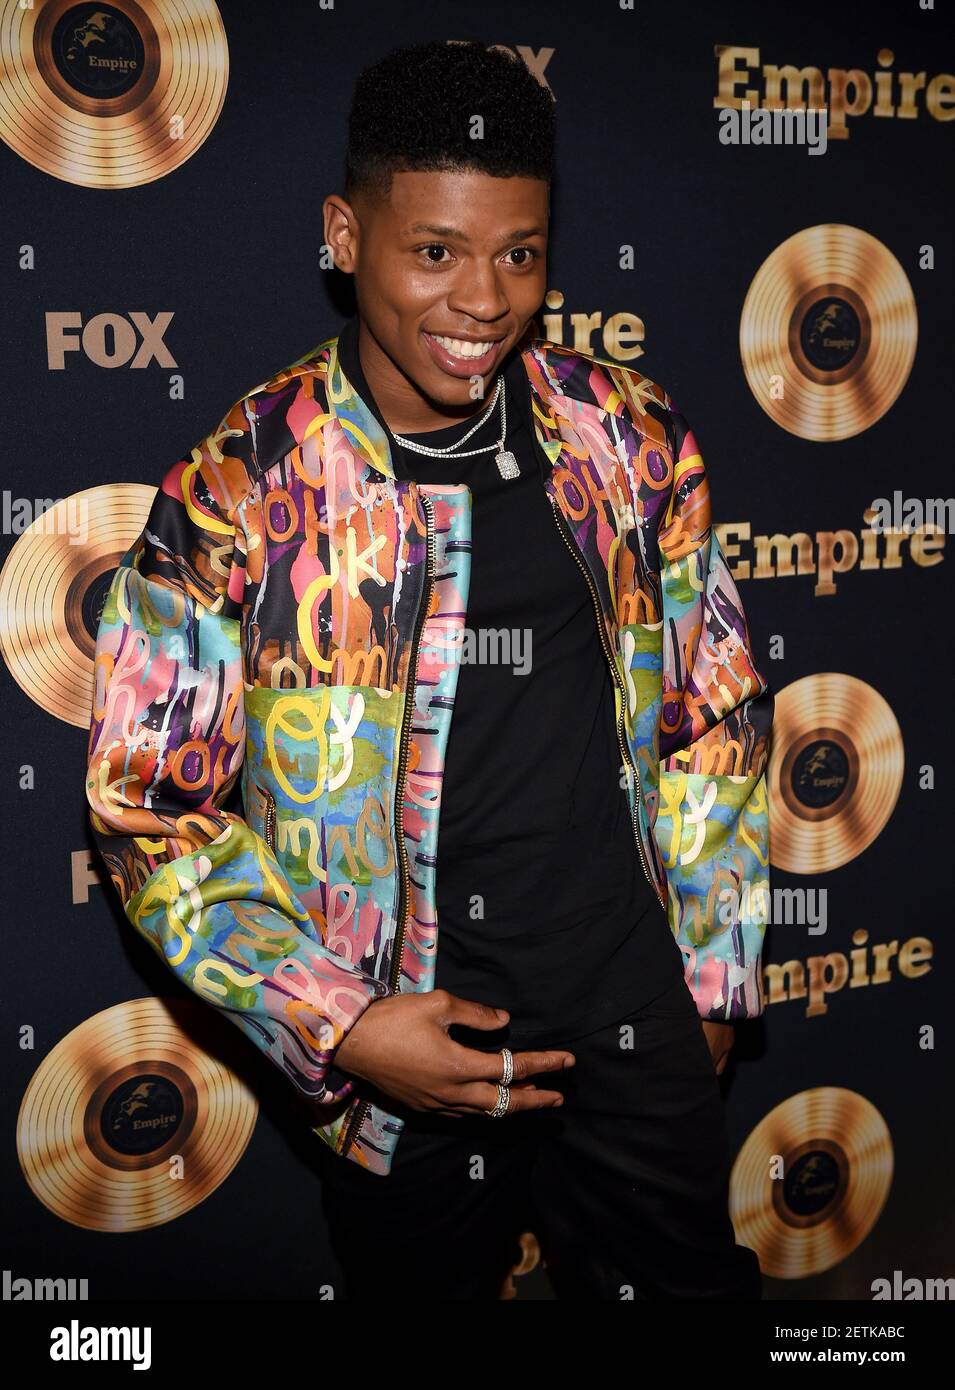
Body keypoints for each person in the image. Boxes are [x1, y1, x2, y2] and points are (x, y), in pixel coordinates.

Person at [86, 39, 774, 1300]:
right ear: (346, 236)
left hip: (629, 1003)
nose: (484, 301)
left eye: (519, 253)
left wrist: (714, 974)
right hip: (403, 1044)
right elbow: (147, 803)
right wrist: (339, 1022)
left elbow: (712, 707)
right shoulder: (240, 484)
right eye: (437, 251)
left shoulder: (628, 437)